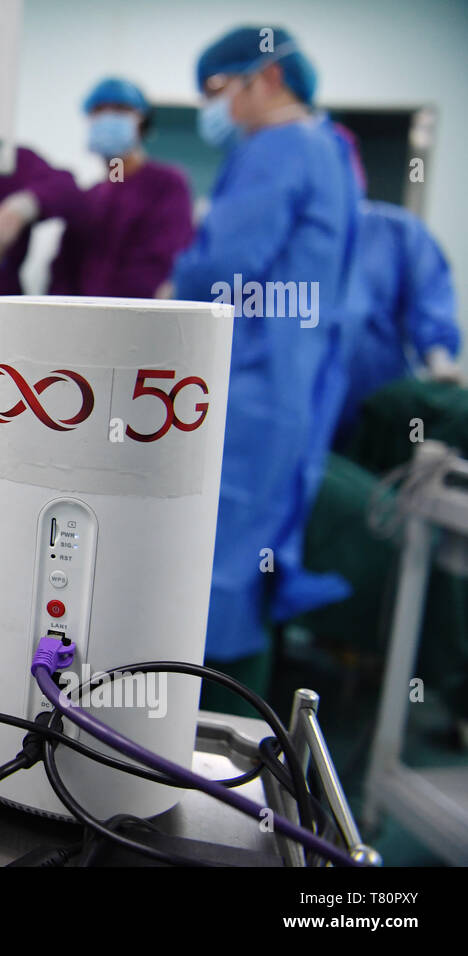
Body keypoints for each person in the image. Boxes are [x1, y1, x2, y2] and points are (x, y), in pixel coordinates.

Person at [169, 26, 362, 700]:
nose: (216, 112)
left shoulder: (277, 147)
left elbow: (222, 265)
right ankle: (244, 731)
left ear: (270, 78)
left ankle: (198, 728)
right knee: (254, 557)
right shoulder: (333, 151)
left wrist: (175, 283)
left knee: (213, 567)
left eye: (222, 92)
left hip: (248, 392)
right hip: (291, 393)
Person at [0, 77, 194, 299]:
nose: (108, 117)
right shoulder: (90, 197)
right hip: (84, 324)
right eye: (99, 110)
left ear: (142, 122)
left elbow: (163, 260)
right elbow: (62, 272)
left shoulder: (166, 184)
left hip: (139, 319)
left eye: (120, 109)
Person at [338, 200, 460, 433]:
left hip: (372, 401)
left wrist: (439, 360)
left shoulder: (394, 230)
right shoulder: (296, 230)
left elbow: (430, 300)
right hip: (294, 399)